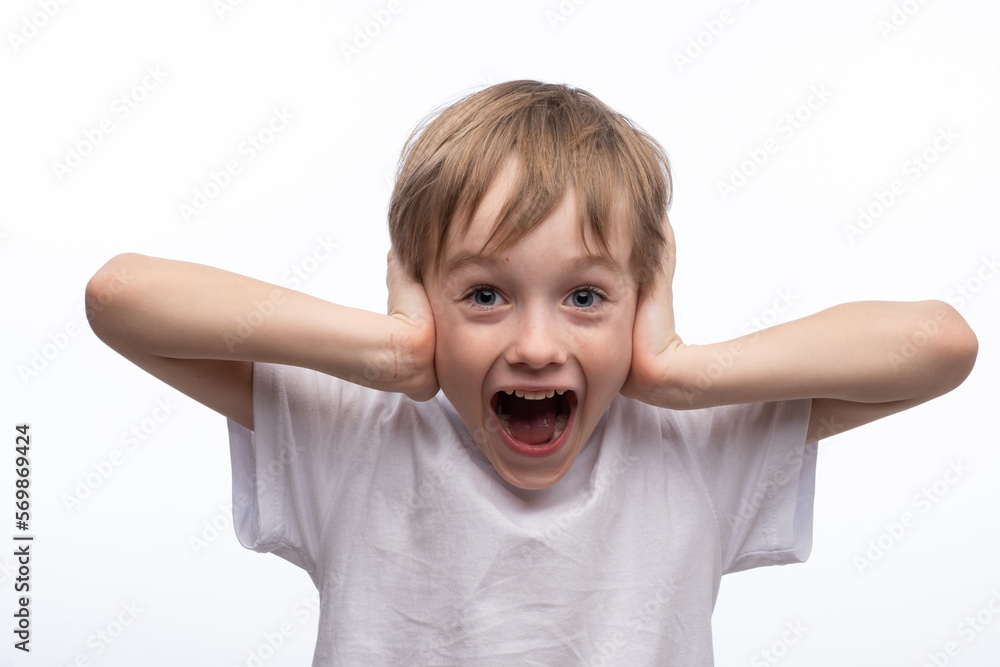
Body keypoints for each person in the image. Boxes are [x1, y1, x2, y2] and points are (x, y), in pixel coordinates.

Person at [85, 80, 978, 665]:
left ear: (643, 297)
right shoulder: (352, 431)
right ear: (420, 292)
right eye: (484, 294)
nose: (537, 344)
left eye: (586, 296)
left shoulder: (697, 443)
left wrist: (679, 372)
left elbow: (939, 343)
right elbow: (121, 296)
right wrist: (394, 350)